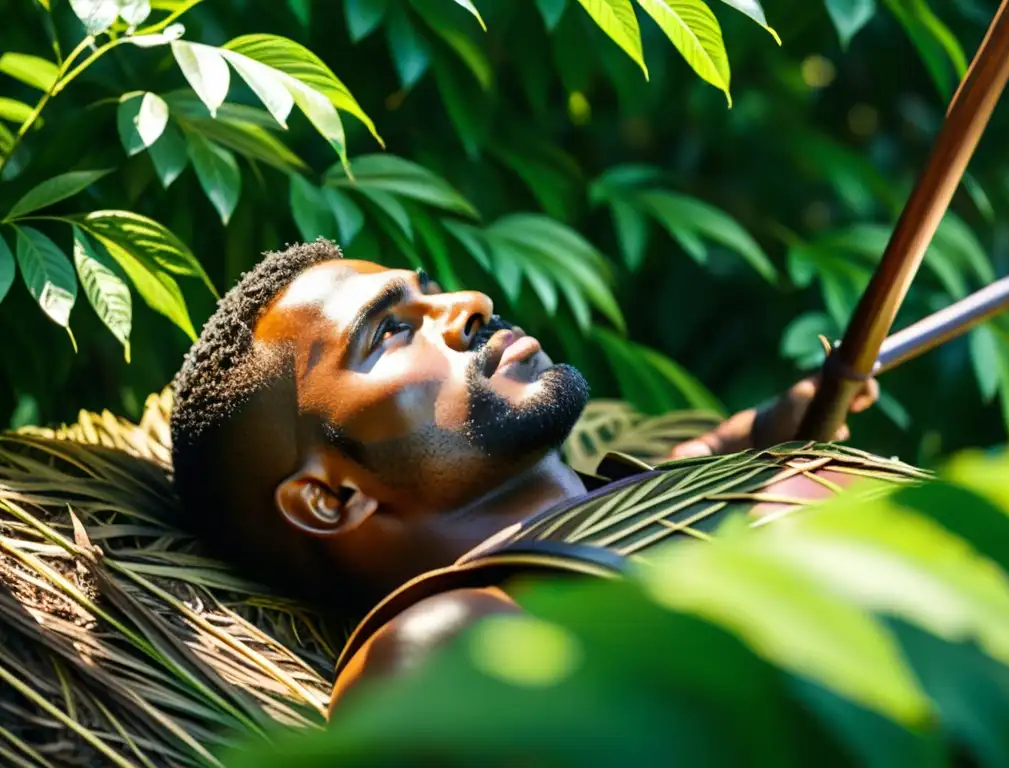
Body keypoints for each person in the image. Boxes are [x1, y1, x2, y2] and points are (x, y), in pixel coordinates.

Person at [169, 238, 889, 718]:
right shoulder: (444, 651)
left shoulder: (638, 504)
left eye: (431, 292)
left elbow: (706, 457)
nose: (469, 304)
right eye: (389, 331)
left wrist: (768, 433)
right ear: (331, 497)